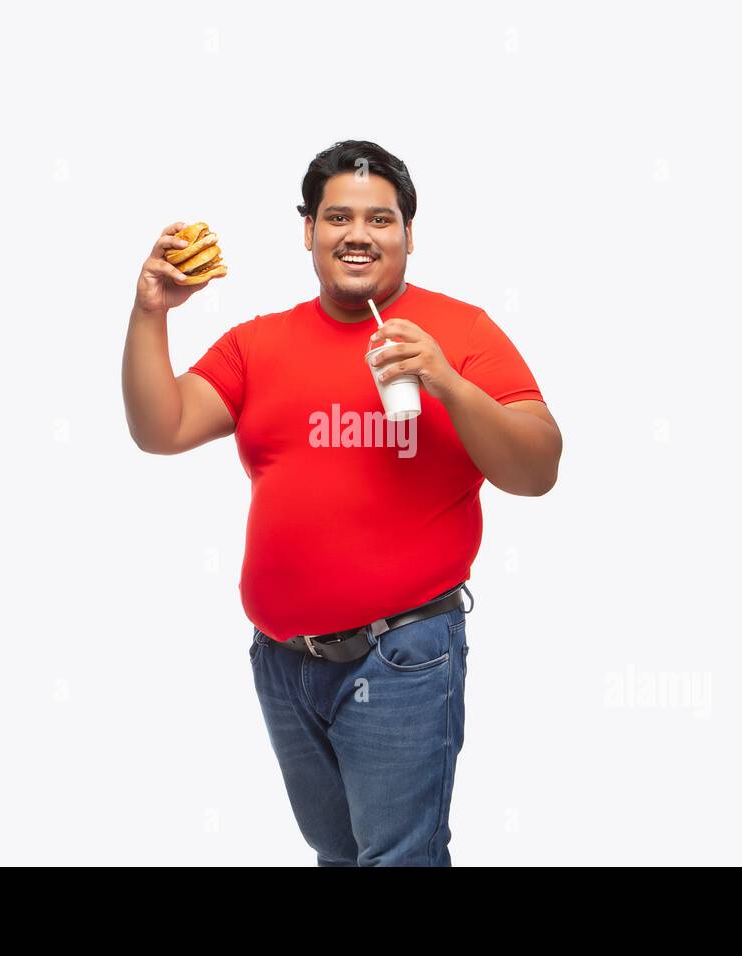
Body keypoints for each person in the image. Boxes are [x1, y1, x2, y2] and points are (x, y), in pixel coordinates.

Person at [122, 140, 562, 866]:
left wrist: (447, 382)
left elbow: (538, 467)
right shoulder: (256, 344)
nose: (358, 233)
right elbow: (158, 428)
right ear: (309, 231)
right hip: (284, 665)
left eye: (381, 219)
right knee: (337, 855)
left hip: (401, 658)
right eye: (337, 217)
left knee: (398, 858)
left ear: (409, 234)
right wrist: (150, 313)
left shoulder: (464, 332)